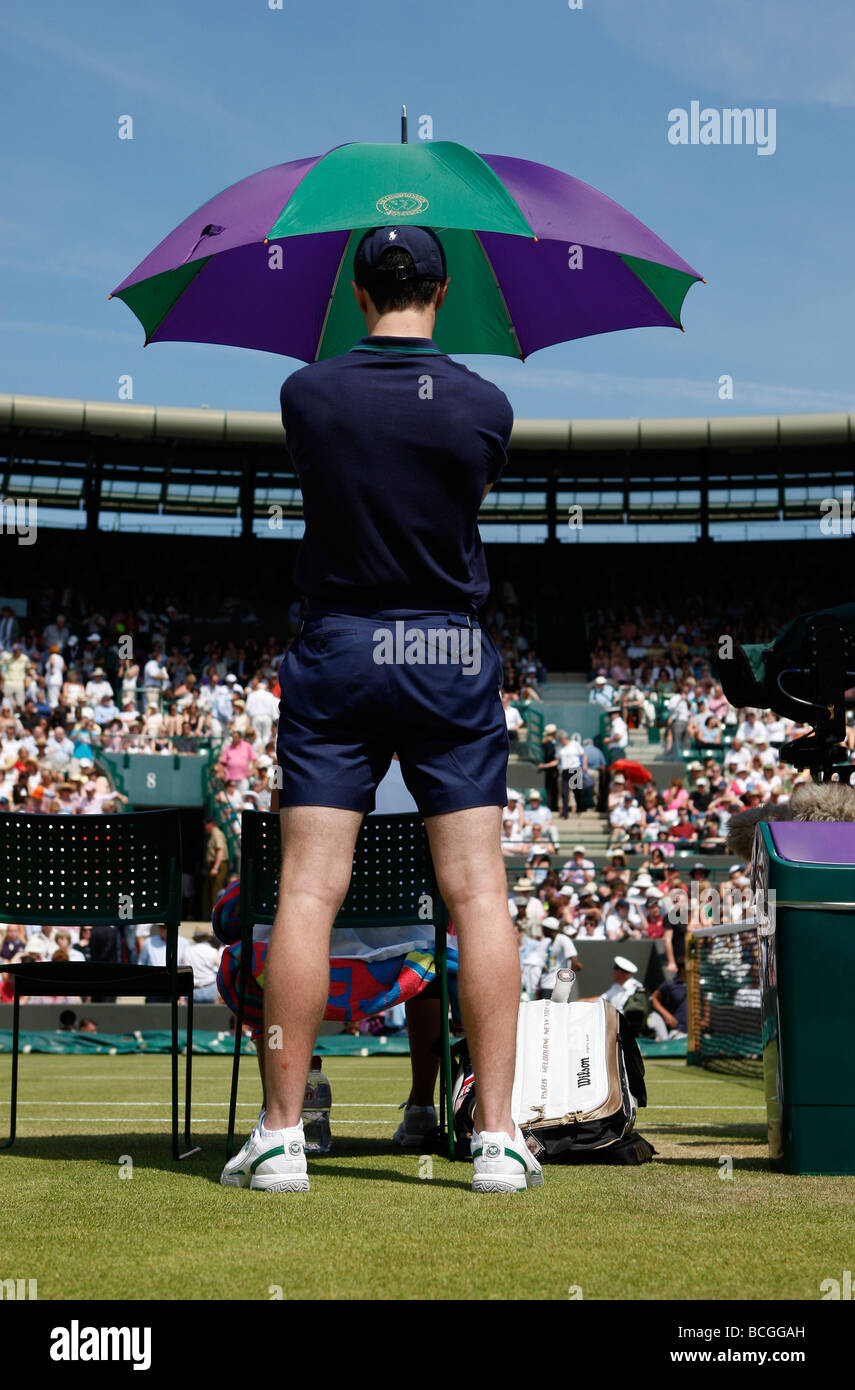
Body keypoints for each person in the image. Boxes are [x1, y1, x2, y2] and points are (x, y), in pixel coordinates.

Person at [224, 224, 541, 1197]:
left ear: (357, 296)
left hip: (343, 645)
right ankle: (494, 1139)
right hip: (445, 646)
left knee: (307, 896)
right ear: (443, 292)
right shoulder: (487, 405)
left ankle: (281, 1137)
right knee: (479, 894)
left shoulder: (305, 393)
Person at [537, 917, 581, 999]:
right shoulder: (548, 942)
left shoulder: (563, 939)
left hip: (554, 987)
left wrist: (566, 984)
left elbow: (574, 961)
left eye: (544, 929)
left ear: (549, 929)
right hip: (544, 985)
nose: (542, 931)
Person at [648, 954, 688, 1039]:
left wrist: (705, 1020)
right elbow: (653, 998)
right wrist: (666, 1015)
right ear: (682, 969)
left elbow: (705, 1001)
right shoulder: (670, 984)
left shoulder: (697, 984)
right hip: (678, 1031)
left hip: (696, 1032)